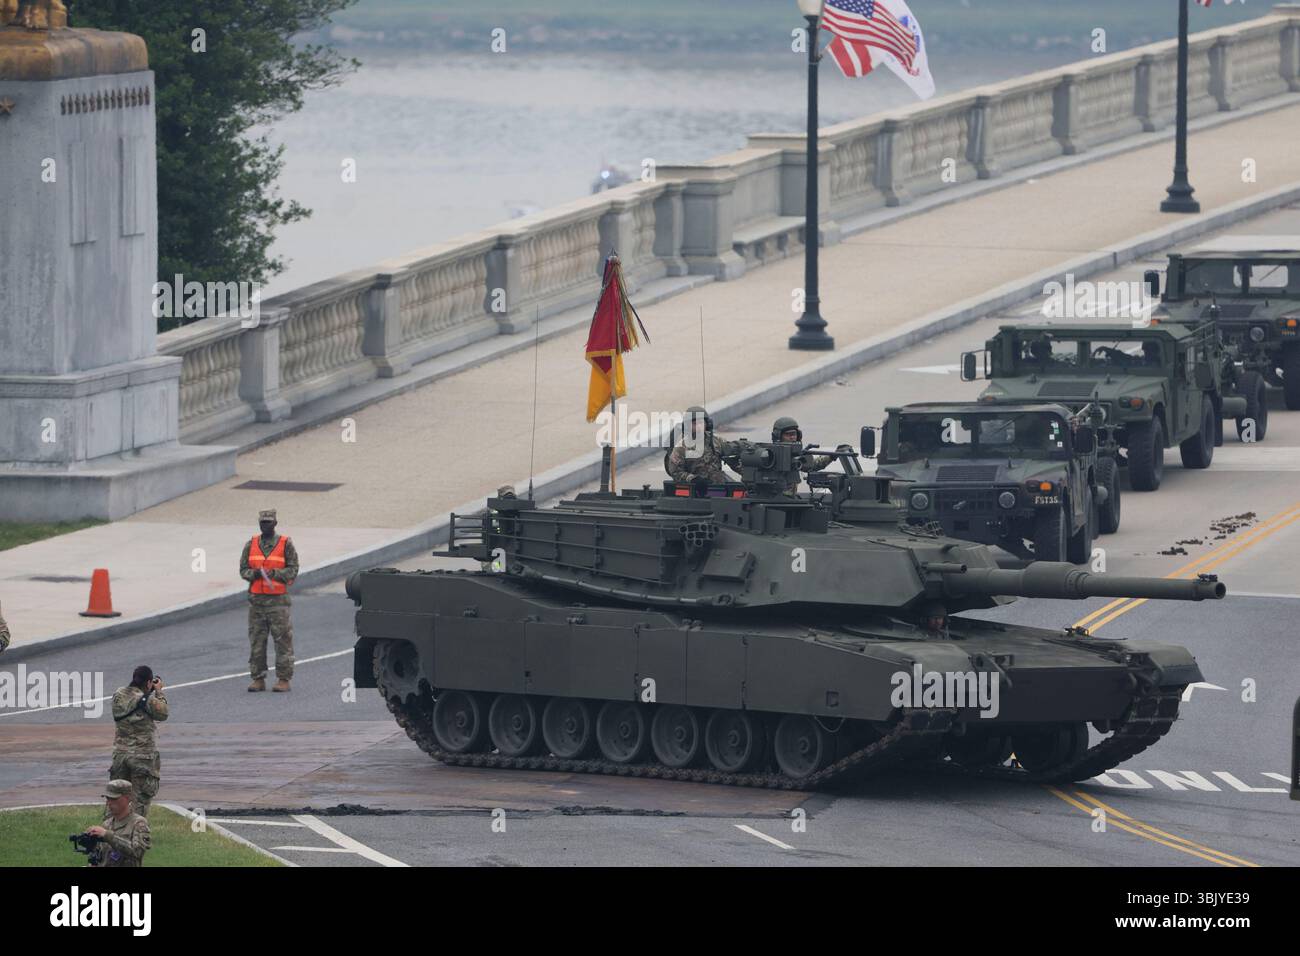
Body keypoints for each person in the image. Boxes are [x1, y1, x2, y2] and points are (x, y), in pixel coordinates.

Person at [240, 509, 299, 693]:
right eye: (262, 522)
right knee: (257, 641)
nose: (265, 525)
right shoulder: (251, 544)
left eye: (268, 522)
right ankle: (258, 678)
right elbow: (243, 569)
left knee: (282, 641)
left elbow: (293, 569)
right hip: (257, 602)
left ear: (275, 523)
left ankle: (283, 678)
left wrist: (275, 574)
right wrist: (254, 574)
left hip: (278, 602)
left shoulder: (285, 543)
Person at [109, 666, 168, 818]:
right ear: (149, 682)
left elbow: (132, 700)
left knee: (116, 798)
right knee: (139, 801)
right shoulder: (148, 700)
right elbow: (163, 713)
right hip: (142, 757)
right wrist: (159, 691)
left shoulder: (118, 694)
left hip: (120, 755)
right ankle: (135, 835)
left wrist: (147, 691)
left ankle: (109, 833)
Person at [665, 405, 740, 484]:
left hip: (718, 486)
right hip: (695, 489)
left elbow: (732, 460)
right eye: (694, 424)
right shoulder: (681, 447)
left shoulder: (717, 441)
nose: (698, 427)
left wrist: (746, 473)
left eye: (700, 423)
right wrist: (693, 479)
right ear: (687, 426)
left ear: (707, 424)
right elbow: (675, 472)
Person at [84, 780, 151, 868]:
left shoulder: (138, 823)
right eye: (108, 798)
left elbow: (137, 852)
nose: (109, 803)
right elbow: (100, 855)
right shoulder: (107, 824)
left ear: (128, 798)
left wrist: (107, 835)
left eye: (114, 799)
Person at [771, 416, 841, 495]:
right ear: (778, 436)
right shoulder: (769, 456)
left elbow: (812, 465)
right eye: (788, 434)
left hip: (790, 500)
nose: (792, 437)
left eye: (794, 434)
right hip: (774, 501)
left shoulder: (795, 454)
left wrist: (832, 456)